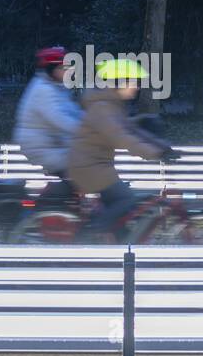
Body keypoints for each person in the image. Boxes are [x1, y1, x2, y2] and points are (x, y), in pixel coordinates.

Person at [67, 58, 179, 238]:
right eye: (134, 81)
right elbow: (122, 138)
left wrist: (164, 147)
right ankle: (88, 234)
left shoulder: (112, 105)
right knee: (126, 199)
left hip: (97, 166)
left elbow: (131, 130)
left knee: (120, 216)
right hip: (88, 168)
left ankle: (117, 247)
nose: (137, 86)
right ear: (119, 82)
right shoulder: (102, 107)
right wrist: (155, 153)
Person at [12, 46, 82, 200]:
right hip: (40, 147)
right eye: (63, 68)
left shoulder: (56, 88)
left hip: (51, 144)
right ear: (51, 69)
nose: (67, 71)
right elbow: (60, 120)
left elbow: (74, 113)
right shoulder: (43, 90)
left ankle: (65, 208)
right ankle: (43, 207)